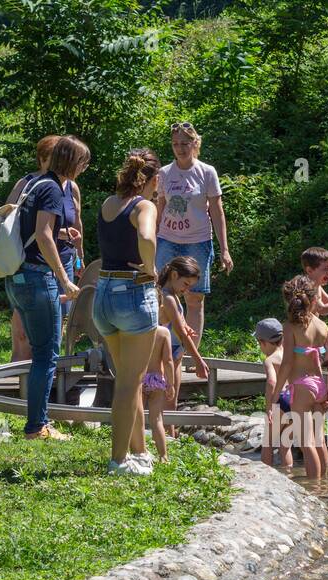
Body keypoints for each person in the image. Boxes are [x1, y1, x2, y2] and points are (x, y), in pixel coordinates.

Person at [3, 135, 90, 441]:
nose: (84, 168)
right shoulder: (53, 188)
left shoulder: (34, 185)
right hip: (39, 279)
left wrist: (61, 234)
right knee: (45, 355)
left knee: (40, 351)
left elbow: (34, 228)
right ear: (71, 161)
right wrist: (64, 278)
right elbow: (42, 235)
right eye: (83, 162)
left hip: (16, 278)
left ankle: (34, 419)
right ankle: (37, 426)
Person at [95, 148, 164, 476]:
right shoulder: (144, 205)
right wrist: (151, 269)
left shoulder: (109, 203)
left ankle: (139, 451)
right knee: (129, 382)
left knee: (128, 379)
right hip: (133, 294)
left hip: (103, 293)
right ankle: (118, 461)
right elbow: (147, 238)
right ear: (154, 180)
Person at [5, 135, 84, 362]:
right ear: (42, 160)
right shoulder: (29, 183)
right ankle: (20, 377)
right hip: (32, 263)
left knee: (56, 326)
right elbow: (11, 221)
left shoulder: (71, 187)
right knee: (24, 332)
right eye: (52, 158)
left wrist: (79, 255)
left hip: (64, 259)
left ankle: (50, 379)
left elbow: (74, 221)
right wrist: (49, 232)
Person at [155, 121, 231, 347]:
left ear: (195, 143)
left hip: (198, 241)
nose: (180, 148)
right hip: (167, 239)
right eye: (175, 144)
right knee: (162, 296)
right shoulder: (164, 173)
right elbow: (158, 211)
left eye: (185, 143)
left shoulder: (207, 172)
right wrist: (149, 243)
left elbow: (217, 212)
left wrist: (225, 249)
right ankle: (163, 349)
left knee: (194, 298)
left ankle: (189, 353)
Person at [267, 276, 328, 480]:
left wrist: (275, 396)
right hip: (320, 385)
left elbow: (288, 363)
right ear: (314, 299)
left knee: (306, 443)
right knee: (319, 441)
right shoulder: (322, 326)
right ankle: (324, 484)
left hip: (302, 387)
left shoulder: (289, 328)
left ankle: (314, 491)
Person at [154, 256, 210, 435]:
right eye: (185, 284)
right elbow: (181, 333)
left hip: (176, 354)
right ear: (174, 275)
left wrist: (186, 327)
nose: (187, 289)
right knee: (165, 402)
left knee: (172, 402)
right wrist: (198, 360)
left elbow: (181, 324)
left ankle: (170, 439)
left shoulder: (175, 296)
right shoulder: (167, 297)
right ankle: (166, 439)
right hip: (166, 356)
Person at [255, 317, 294, 469]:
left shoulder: (270, 360)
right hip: (296, 399)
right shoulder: (289, 353)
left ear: (263, 342)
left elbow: (272, 382)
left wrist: (269, 407)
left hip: (281, 400)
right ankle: (288, 475)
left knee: (268, 442)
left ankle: (267, 476)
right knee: (286, 444)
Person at [141, 326, 178, 462]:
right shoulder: (163, 332)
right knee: (157, 420)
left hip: (139, 377)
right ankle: (163, 456)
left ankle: (139, 451)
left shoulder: (136, 329)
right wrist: (171, 384)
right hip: (156, 378)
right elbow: (168, 361)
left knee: (137, 418)